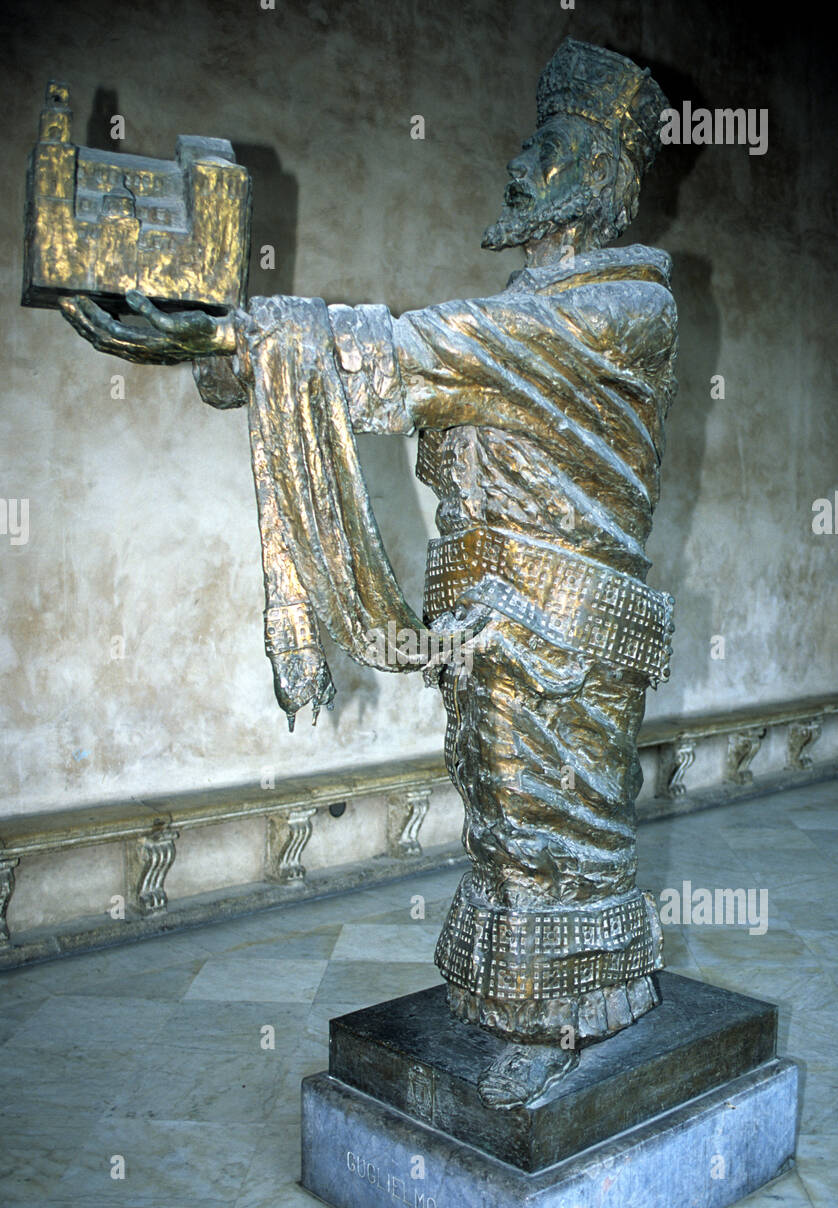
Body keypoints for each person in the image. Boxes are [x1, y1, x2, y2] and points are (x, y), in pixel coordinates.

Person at [59, 39, 678, 1108]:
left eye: (542, 146)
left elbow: (424, 347)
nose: (517, 164)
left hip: (561, 620)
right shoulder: (536, 310)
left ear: (588, 170)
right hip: (494, 609)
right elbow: (400, 372)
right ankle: (571, 995)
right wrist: (226, 346)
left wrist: (241, 335)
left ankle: (561, 1016)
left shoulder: (617, 310)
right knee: (504, 813)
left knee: (549, 825)